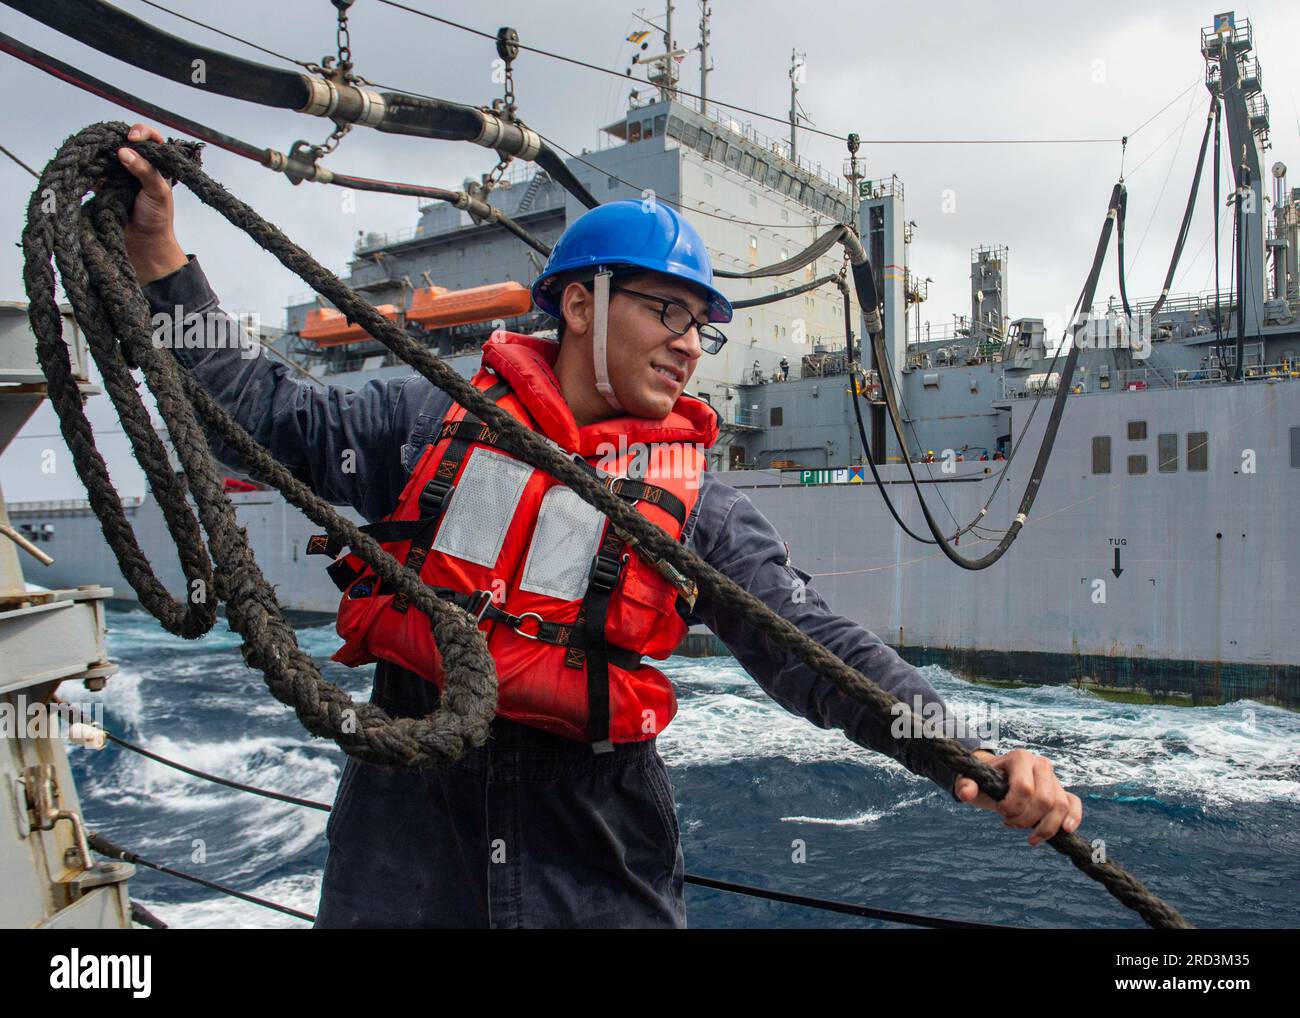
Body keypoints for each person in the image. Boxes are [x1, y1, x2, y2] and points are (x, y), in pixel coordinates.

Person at [116, 123, 1081, 929]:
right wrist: (161, 257)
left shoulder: (694, 507)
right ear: (580, 304)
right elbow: (258, 414)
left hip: (598, 875)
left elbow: (811, 647)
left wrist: (962, 748)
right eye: (666, 309)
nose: (688, 343)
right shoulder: (424, 424)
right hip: (406, 866)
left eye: (702, 324)